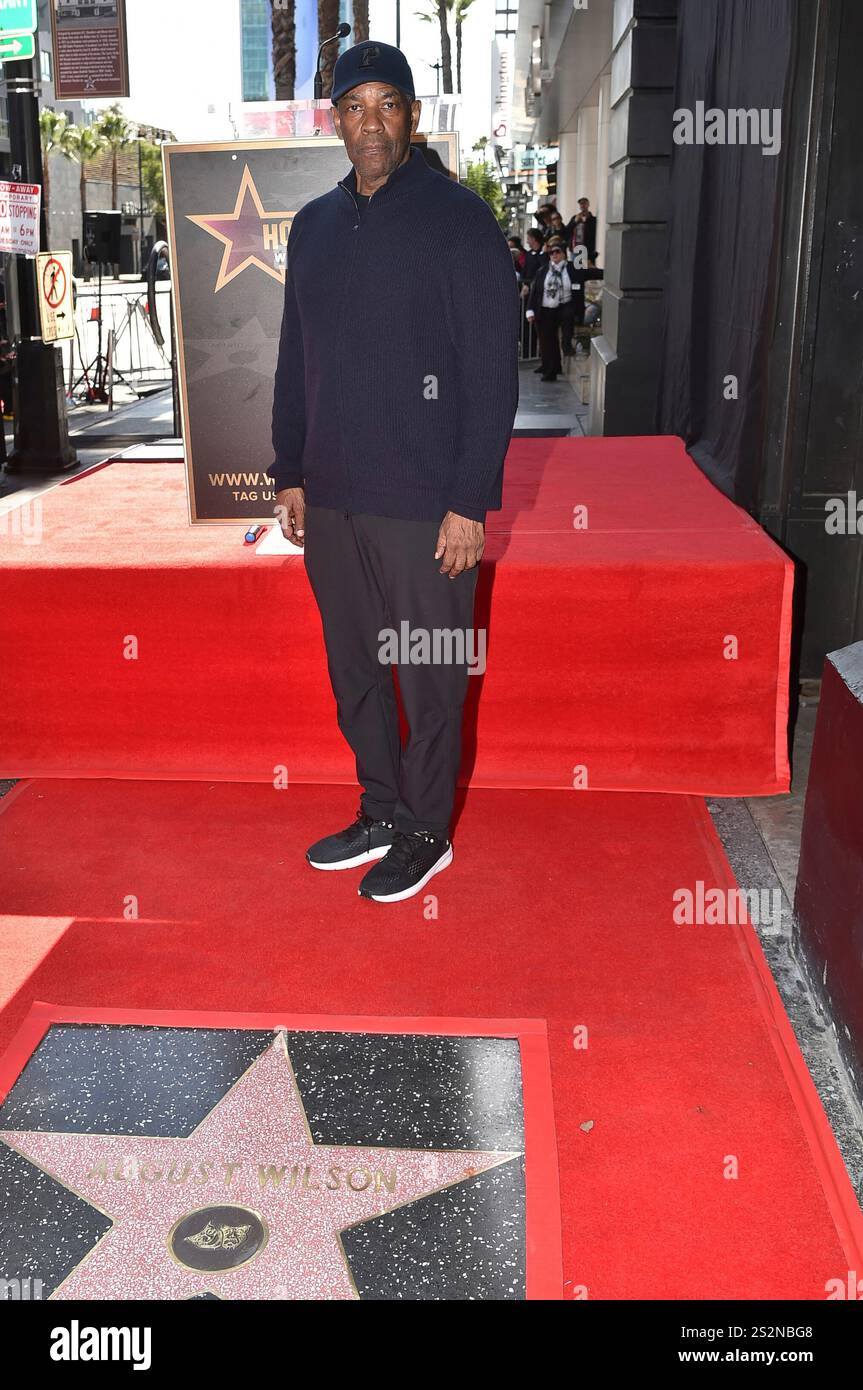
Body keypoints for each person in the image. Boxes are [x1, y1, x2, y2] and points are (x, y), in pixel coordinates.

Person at [267, 40, 519, 904]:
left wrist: (468, 500)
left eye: (386, 104)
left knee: (430, 675)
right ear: (334, 120)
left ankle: (425, 831)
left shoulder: (459, 220)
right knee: (357, 672)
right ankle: (380, 809)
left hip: (425, 504)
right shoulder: (313, 226)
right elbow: (295, 357)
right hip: (332, 498)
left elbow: (491, 372)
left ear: (411, 115)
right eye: (354, 106)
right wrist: (289, 468)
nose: (370, 122)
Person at [525, 239, 603, 380]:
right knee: (547, 340)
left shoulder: (573, 269)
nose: (554, 255)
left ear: (563, 254)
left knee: (568, 318)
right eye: (551, 253)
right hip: (546, 307)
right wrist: (530, 310)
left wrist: (611, 272)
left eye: (557, 252)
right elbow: (535, 291)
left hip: (565, 305)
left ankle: (566, 345)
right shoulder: (543, 271)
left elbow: (592, 273)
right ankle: (551, 370)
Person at [571, 197, 597, 262]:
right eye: (581, 204)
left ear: (588, 205)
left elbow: (592, 232)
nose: (582, 205)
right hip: (576, 248)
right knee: (576, 266)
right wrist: (575, 222)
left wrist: (586, 221)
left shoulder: (593, 219)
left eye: (584, 203)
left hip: (587, 249)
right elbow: (568, 230)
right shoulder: (575, 217)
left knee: (586, 266)